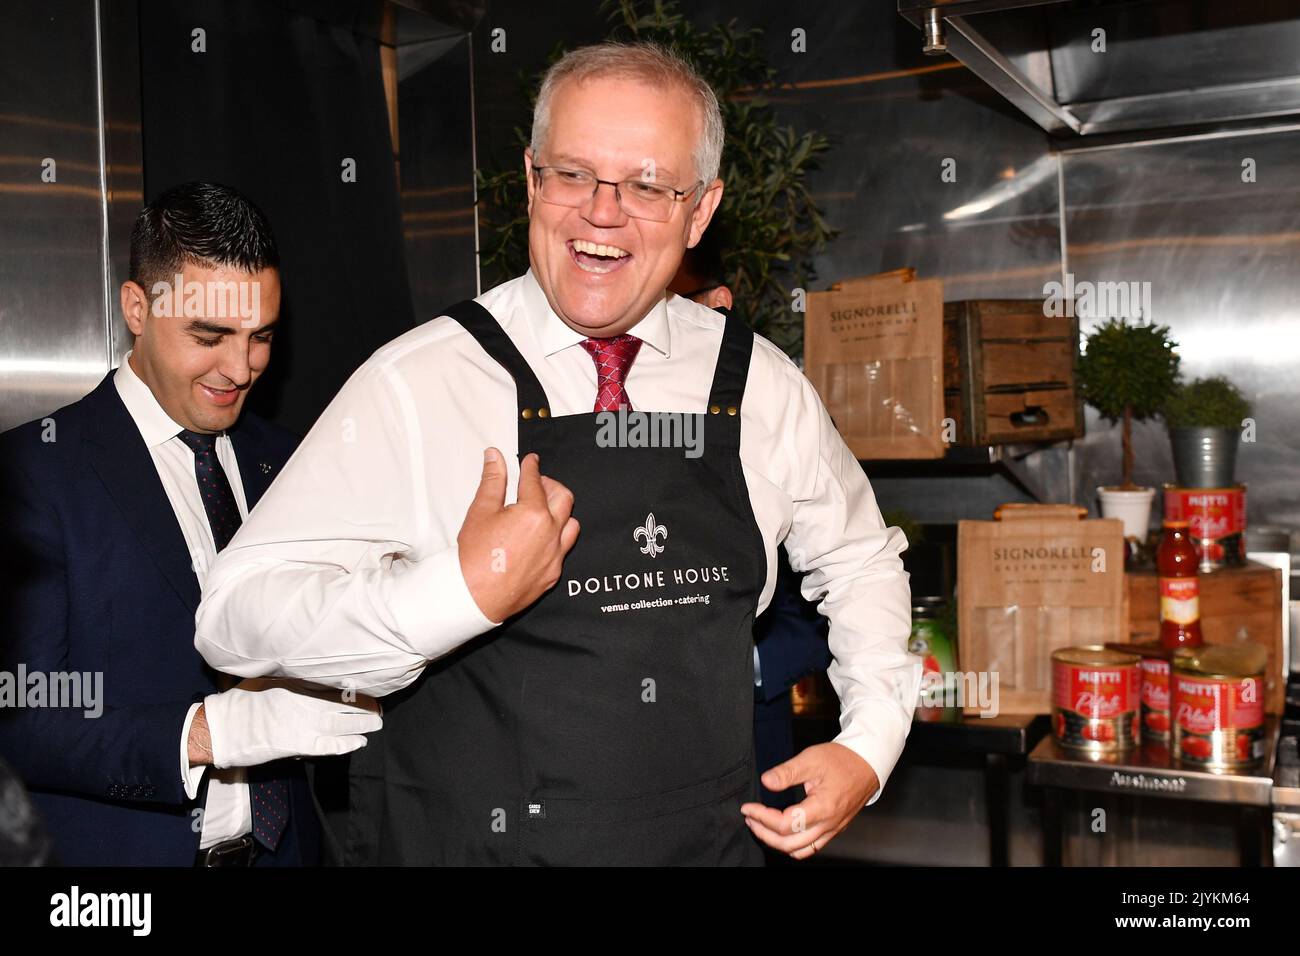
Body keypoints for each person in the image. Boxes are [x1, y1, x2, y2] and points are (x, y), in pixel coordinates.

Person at [196, 42, 919, 865]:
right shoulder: (421, 381)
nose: (602, 214)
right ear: (533, 180)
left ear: (701, 209)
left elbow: (860, 561)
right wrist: (455, 593)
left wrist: (872, 741)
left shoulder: (757, 382)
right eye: (573, 174)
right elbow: (234, 617)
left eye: (648, 185)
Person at [0, 182, 381, 866]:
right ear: (138, 309)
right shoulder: (32, 474)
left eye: (260, 337)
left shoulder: (291, 460)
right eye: (209, 336)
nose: (240, 369)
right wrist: (208, 733)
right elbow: (20, 721)